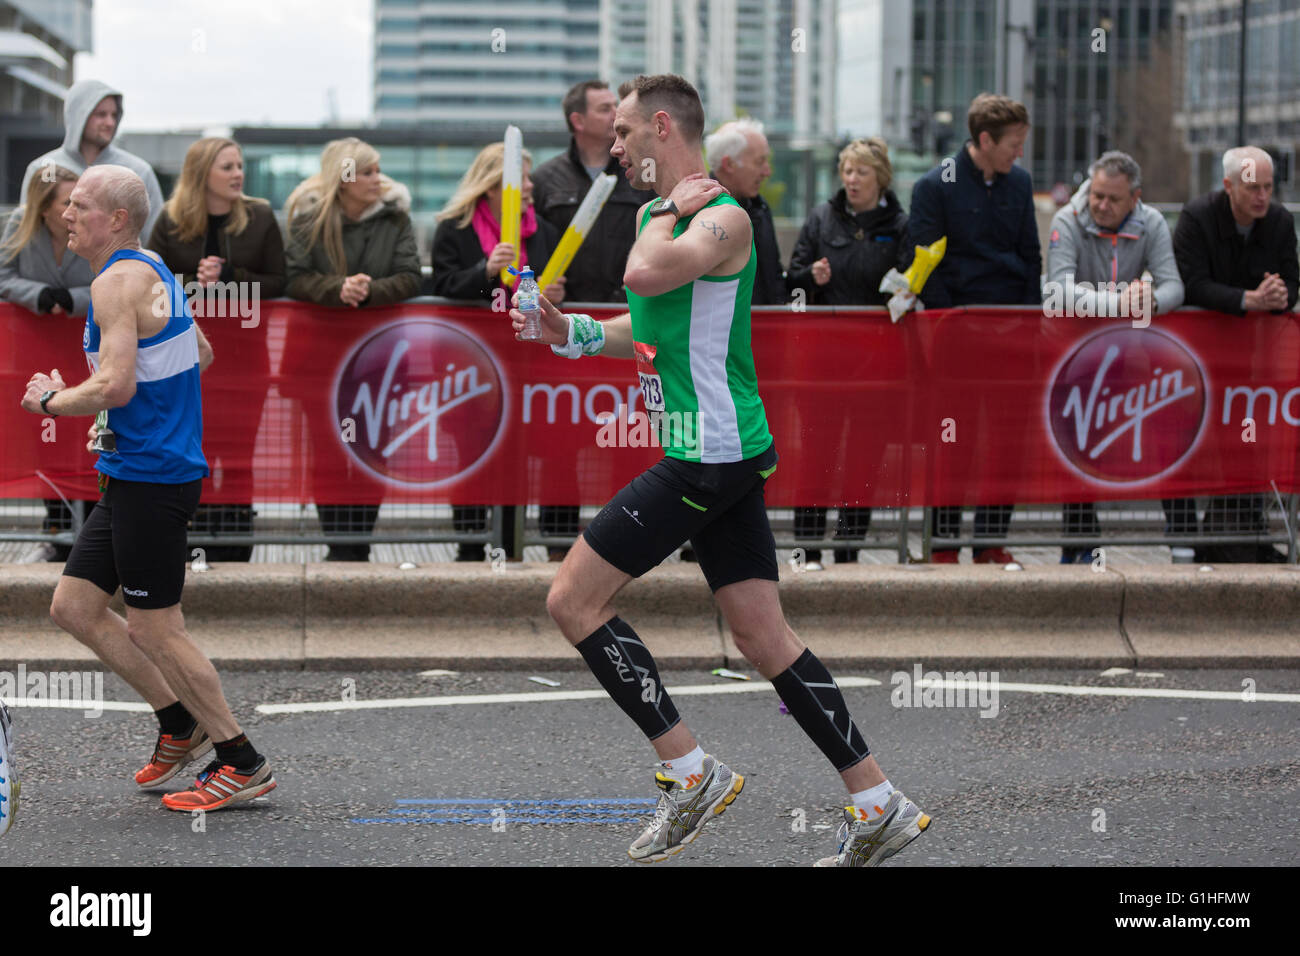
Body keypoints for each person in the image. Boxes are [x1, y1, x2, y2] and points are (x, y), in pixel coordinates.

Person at [510, 73, 929, 866]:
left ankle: (689, 770)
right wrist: (562, 329)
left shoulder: (724, 218)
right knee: (761, 634)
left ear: (663, 127)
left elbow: (643, 275)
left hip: (709, 451)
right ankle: (878, 800)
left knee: (572, 600)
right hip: (717, 449)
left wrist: (665, 213)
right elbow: (646, 322)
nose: (618, 143)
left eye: (628, 130)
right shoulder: (666, 217)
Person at [20, 164, 275, 811]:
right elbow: (201, 354)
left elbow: (117, 385)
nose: (66, 214)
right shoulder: (153, 270)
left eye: (80, 205)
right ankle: (177, 722)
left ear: (118, 220)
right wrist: (119, 419)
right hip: (139, 471)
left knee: (156, 629)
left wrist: (54, 400)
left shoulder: (113, 284)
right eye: (65, 204)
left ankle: (240, 759)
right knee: (73, 608)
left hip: (152, 479)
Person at [908, 93, 1041, 564]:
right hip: (957, 338)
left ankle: (990, 543)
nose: (1019, 153)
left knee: (1005, 445)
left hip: (1011, 335)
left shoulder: (1019, 184)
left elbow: (1030, 257)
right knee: (953, 443)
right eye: (1014, 144)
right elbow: (923, 262)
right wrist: (960, 322)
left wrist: (1026, 321)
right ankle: (943, 545)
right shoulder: (934, 186)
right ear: (985, 139)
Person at [1044, 150, 1190, 563]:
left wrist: (1151, 300)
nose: (1102, 205)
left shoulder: (1154, 222)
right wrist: (1120, 303)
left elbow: (1174, 287)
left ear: (1135, 198)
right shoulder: (1067, 219)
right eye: (1097, 195)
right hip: (1072, 356)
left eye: (1113, 198)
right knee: (1078, 450)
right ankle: (1078, 547)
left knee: (1165, 436)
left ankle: (1182, 537)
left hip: (1128, 357)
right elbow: (1057, 291)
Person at [149, 136, 286, 563]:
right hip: (186, 361)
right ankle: (191, 538)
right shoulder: (169, 221)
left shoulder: (260, 216)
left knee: (240, 451)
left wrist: (229, 276)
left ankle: (236, 543)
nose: (238, 174)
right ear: (201, 173)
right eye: (227, 167)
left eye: (239, 165)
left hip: (247, 361)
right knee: (193, 447)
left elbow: (282, 281)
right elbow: (152, 283)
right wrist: (194, 280)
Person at [285, 138, 421, 561]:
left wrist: (366, 291)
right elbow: (292, 276)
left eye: (377, 170)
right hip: (318, 359)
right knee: (326, 450)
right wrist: (335, 289)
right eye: (366, 172)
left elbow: (411, 276)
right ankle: (337, 544)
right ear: (342, 178)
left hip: (379, 359)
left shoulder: (396, 219)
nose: (377, 179)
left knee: (372, 448)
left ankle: (358, 544)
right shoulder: (309, 221)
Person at [430, 141, 564, 561]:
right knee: (471, 449)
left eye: (528, 178)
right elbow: (442, 286)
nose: (529, 186)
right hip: (467, 363)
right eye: (520, 178)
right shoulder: (454, 228)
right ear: (492, 185)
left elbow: (546, 288)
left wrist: (556, 292)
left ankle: (512, 542)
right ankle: (471, 544)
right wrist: (485, 272)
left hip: (527, 359)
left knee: (521, 451)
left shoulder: (541, 230)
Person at [786, 137, 911, 567]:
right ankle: (807, 549)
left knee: (864, 460)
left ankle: (848, 551)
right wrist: (809, 275)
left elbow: (912, 286)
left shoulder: (899, 225)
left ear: (881, 177)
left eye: (861, 172)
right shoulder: (822, 219)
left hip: (876, 367)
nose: (852, 180)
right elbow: (791, 285)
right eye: (847, 171)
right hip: (823, 363)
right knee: (815, 455)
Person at [531, 80, 642, 560]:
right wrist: (537, 286)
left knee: (627, 437)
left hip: (626, 324)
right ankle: (559, 544)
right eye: (604, 109)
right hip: (568, 327)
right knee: (561, 444)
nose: (615, 113)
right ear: (577, 120)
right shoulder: (546, 178)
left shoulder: (636, 173)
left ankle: (629, 541)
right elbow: (526, 251)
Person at [1173, 145, 1298, 562]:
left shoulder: (1279, 221)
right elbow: (1190, 283)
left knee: (1251, 442)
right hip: (1199, 357)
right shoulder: (1197, 216)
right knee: (1192, 445)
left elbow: (1291, 282)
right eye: (1251, 188)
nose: (1261, 196)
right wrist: (1248, 299)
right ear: (1228, 186)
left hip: (1256, 362)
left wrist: (1279, 295)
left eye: (1267, 187)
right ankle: (1188, 542)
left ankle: (1243, 538)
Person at [1, 165, 96, 561]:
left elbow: (116, 280)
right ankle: (57, 528)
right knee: (46, 441)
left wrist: (73, 298)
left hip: (83, 352)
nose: (74, 210)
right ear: (43, 209)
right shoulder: (20, 226)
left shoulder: (93, 228)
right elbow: (3, 276)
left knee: (87, 440)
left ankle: (91, 529)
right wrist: (37, 294)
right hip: (35, 355)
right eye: (66, 202)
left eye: (79, 201)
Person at [20, 79, 166, 242]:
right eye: (101, 114)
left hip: (120, 266)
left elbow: (154, 238)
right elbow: (28, 228)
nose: (110, 122)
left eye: (114, 115)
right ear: (79, 115)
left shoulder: (137, 170)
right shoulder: (48, 168)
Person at [705, 118, 786, 305]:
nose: (767, 172)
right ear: (729, 164)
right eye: (760, 162)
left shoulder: (761, 208)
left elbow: (774, 276)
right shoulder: (698, 211)